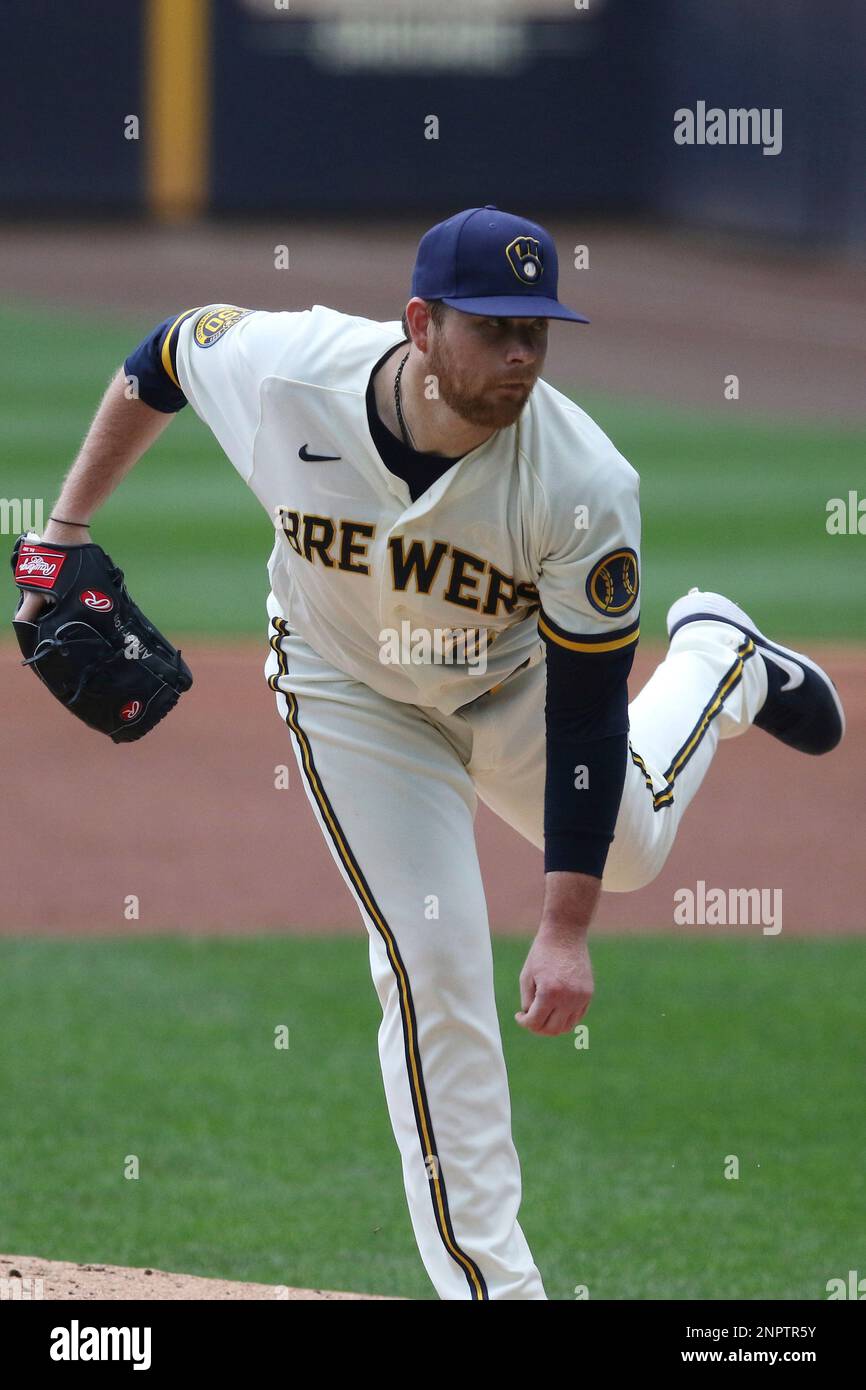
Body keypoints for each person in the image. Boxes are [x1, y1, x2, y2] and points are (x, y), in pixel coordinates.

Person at [15, 206, 844, 1299]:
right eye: (493, 328)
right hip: (347, 688)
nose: (518, 356)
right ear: (418, 322)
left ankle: (714, 658)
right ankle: (495, 1287)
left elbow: (591, 716)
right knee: (432, 962)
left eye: (535, 333)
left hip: (513, 688)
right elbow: (163, 353)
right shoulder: (287, 370)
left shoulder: (584, 482)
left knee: (629, 851)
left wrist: (564, 925)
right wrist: (62, 531)